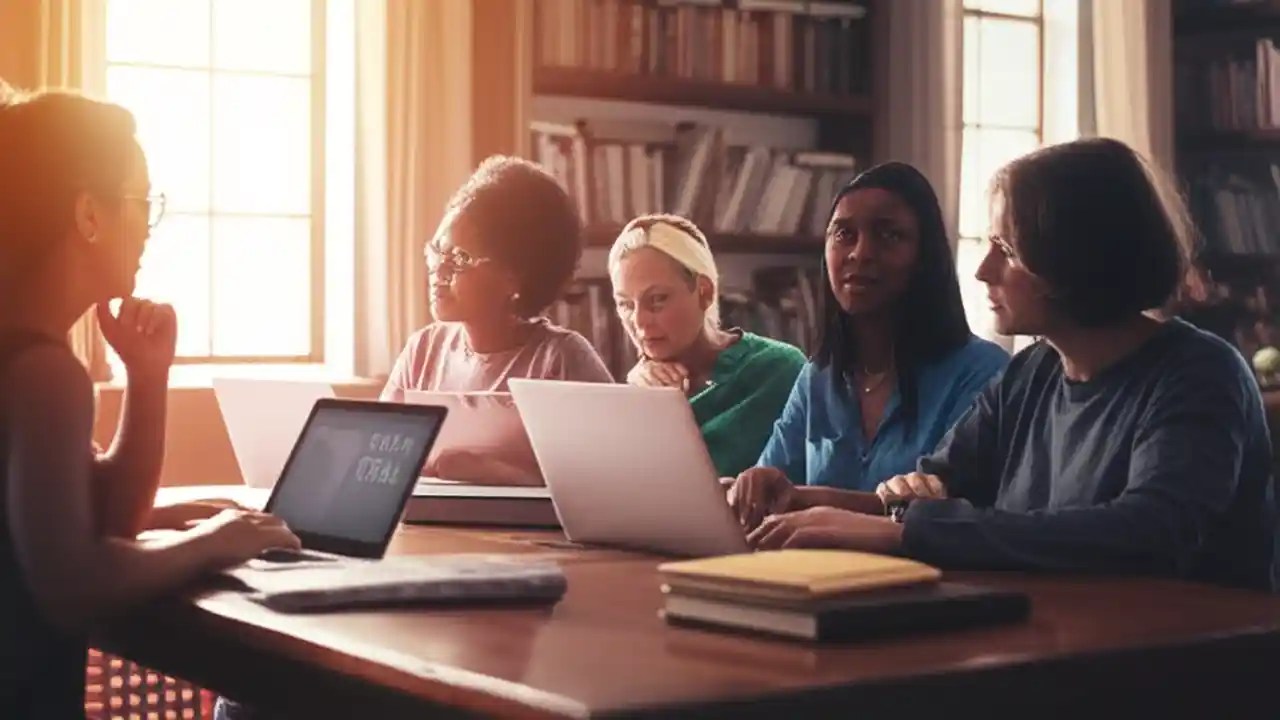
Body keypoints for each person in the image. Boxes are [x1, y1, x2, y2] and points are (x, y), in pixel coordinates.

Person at [745, 138, 1277, 593]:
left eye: (1007, 248)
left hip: (1186, 668)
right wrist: (807, 502)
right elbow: (930, 492)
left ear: (1074, 257)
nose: (982, 270)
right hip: (1059, 644)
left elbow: (1149, 534)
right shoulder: (1033, 371)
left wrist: (904, 532)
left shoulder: (1199, 374)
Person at [0, 88, 300, 717]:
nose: (147, 228)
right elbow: (72, 585)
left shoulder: (32, 354)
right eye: (141, 202)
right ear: (88, 215)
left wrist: (149, 375)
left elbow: (109, 524)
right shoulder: (43, 374)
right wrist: (214, 540)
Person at [729, 162, 1008, 524]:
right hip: (813, 576)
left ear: (926, 256)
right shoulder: (818, 377)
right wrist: (748, 488)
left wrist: (803, 499)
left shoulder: (984, 374)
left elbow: (952, 514)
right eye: (844, 234)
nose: (860, 253)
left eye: (888, 235)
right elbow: (770, 494)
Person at [380, 155, 613, 400]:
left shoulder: (559, 359)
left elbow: (610, 437)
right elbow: (382, 434)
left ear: (513, 276)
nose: (439, 269)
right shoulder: (423, 351)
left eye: (459, 258)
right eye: (436, 252)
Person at [608, 214, 806, 477]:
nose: (639, 320)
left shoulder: (778, 370)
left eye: (657, 300)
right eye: (625, 304)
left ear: (704, 292)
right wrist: (642, 402)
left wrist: (669, 414)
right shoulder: (635, 390)